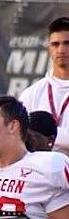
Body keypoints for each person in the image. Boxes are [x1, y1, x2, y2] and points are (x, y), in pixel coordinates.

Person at [19, 17, 69, 153]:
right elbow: (20, 136)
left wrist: (42, 135)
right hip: (41, 170)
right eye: (55, 44)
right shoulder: (32, 93)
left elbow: (31, 135)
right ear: (49, 49)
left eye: (67, 43)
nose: (61, 50)